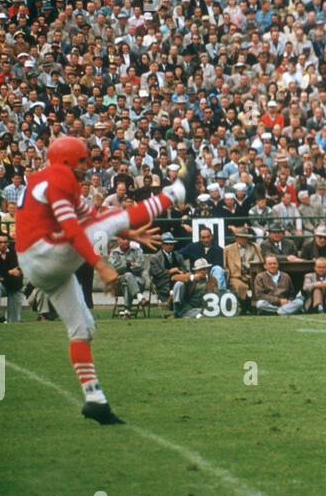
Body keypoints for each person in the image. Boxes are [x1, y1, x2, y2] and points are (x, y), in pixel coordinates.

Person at [15, 136, 193, 424]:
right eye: (82, 160)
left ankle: (95, 400)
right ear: (67, 160)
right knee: (110, 222)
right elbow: (74, 229)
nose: (87, 166)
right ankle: (174, 193)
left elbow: (93, 213)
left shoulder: (47, 179)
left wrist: (128, 233)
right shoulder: (61, 177)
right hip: (45, 252)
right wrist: (101, 265)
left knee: (82, 329)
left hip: (38, 263)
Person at [0, 234, 24, 323]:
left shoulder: (15, 254)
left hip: (15, 287)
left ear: (8, 243)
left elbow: (18, 274)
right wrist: (9, 272)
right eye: (0, 242)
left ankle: (7, 317)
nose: (3, 244)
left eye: (5, 242)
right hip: (2, 286)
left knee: (14, 321)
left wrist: (3, 275)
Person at [224, 225, 264, 306]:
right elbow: (225, 266)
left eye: (245, 237)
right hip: (236, 276)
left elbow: (259, 261)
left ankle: (256, 306)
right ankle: (244, 306)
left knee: (259, 285)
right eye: (240, 237)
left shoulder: (254, 247)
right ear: (236, 238)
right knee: (239, 286)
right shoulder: (228, 249)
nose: (243, 239)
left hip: (252, 276)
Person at [109, 239, 150, 318]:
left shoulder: (137, 251)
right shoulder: (114, 253)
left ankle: (127, 311)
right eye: (123, 239)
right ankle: (140, 297)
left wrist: (124, 266)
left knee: (127, 281)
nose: (126, 241)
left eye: (127, 239)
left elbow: (141, 266)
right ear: (118, 241)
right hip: (119, 284)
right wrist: (129, 264)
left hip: (138, 282)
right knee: (127, 276)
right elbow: (115, 268)